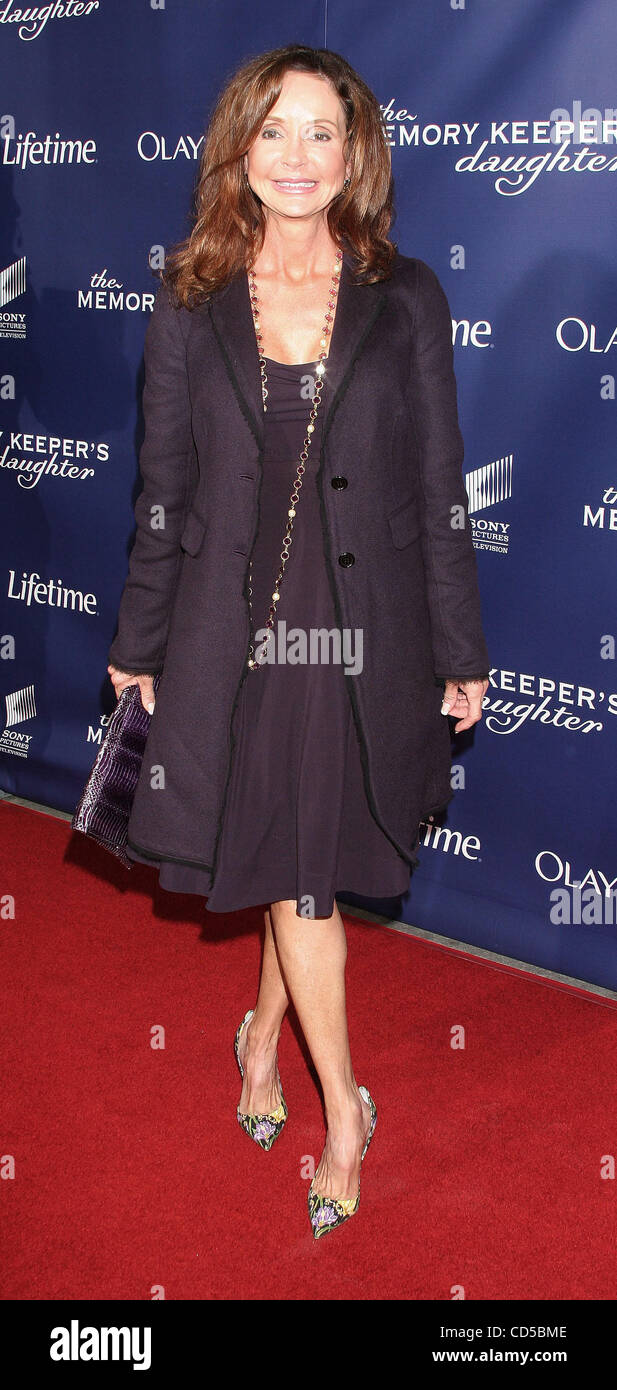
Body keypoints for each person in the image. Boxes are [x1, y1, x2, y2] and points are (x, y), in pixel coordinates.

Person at [107, 43, 490, 1240]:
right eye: (272, 130)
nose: (295, 157)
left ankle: (277, 1056)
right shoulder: (190, 299)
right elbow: (161, 488)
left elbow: (435, 489)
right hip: (235, 635)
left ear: (355, 153)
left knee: (302, 859)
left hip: (360, 634)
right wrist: (140, 641)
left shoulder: (405, 294)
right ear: (238, 147)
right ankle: (333, 1106)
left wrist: (458, 647)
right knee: (297, 864)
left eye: (321, 132)